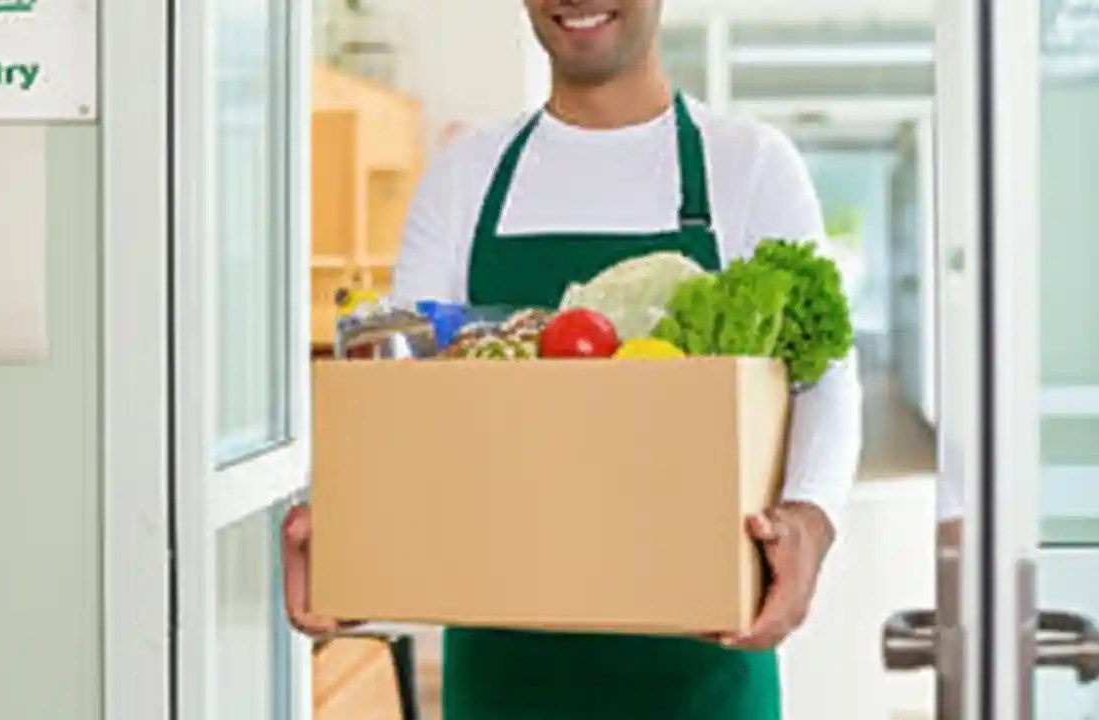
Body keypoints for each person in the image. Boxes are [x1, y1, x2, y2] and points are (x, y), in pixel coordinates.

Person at [284, 0, 863, 717]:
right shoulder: (466, 176)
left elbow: (825, 381)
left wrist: (810, 516)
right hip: (505, 679)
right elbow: (404, 399)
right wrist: (342, 517)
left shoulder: (749, 165)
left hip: (704, 678)